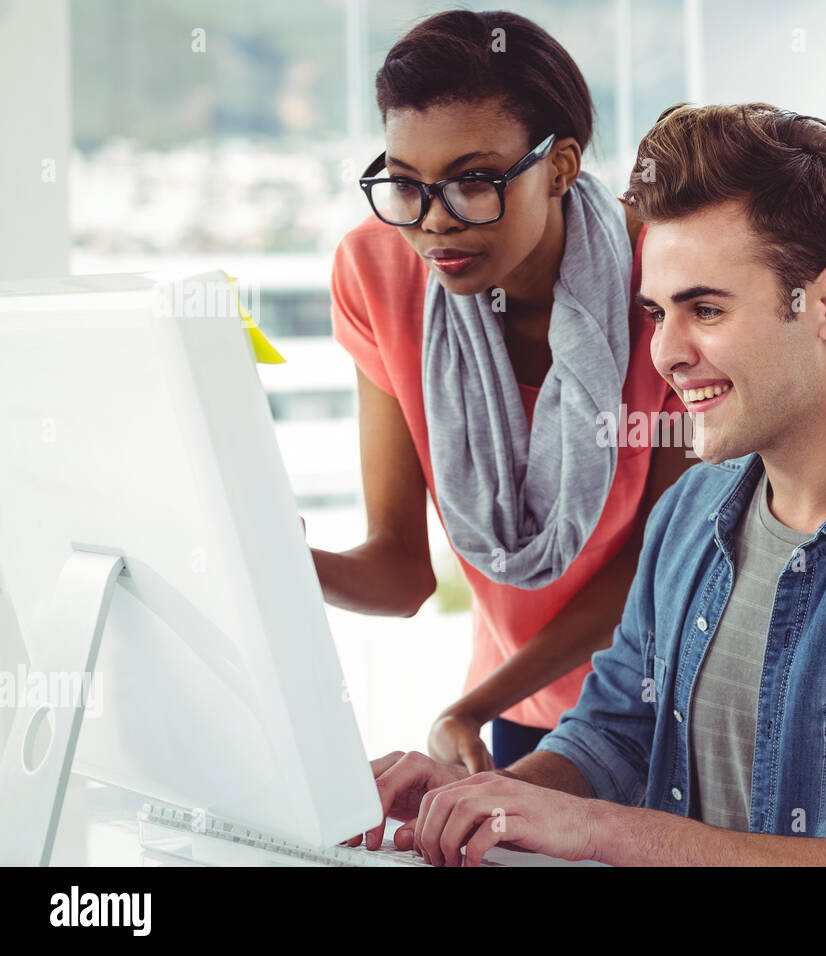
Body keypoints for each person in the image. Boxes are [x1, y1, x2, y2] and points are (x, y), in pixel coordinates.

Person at [349, 103, 826, 867]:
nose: (667, 353)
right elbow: (615, 737)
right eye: (654, 314)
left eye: (705, 309)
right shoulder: (690, 513)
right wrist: (485, 802)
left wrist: (598, 830)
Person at [315, 11, 694, 773]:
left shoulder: (667, 276)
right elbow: (400, 573)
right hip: (515, 707)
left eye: (475, 180)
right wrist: (269, 559)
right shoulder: (378, 273)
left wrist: (470, 706)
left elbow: (659, 568)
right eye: (407, 186)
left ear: (559, 168)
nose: (432, 225)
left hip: (666, 701)